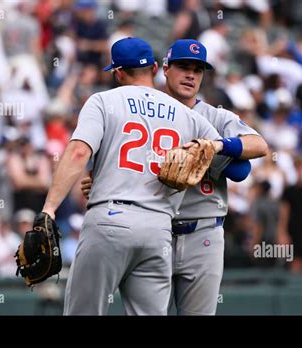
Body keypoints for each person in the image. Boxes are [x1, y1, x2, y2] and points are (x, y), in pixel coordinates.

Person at [82, 39, 267, 315]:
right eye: (183, 67)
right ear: (165, 69)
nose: (191, 74)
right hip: (159, 230)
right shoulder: (146, 109)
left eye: (198, 69)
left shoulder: (215, 117)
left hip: (203, 231)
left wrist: (219, 146)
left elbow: (253, 154)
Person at [40, 37, 224, 315]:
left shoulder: (103, 100)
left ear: (117, 73)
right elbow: (234, 162)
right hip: (158, 230)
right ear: (153, 68)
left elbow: (79, 153)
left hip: (110, 220)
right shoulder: (188, 115)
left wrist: (49, 209)